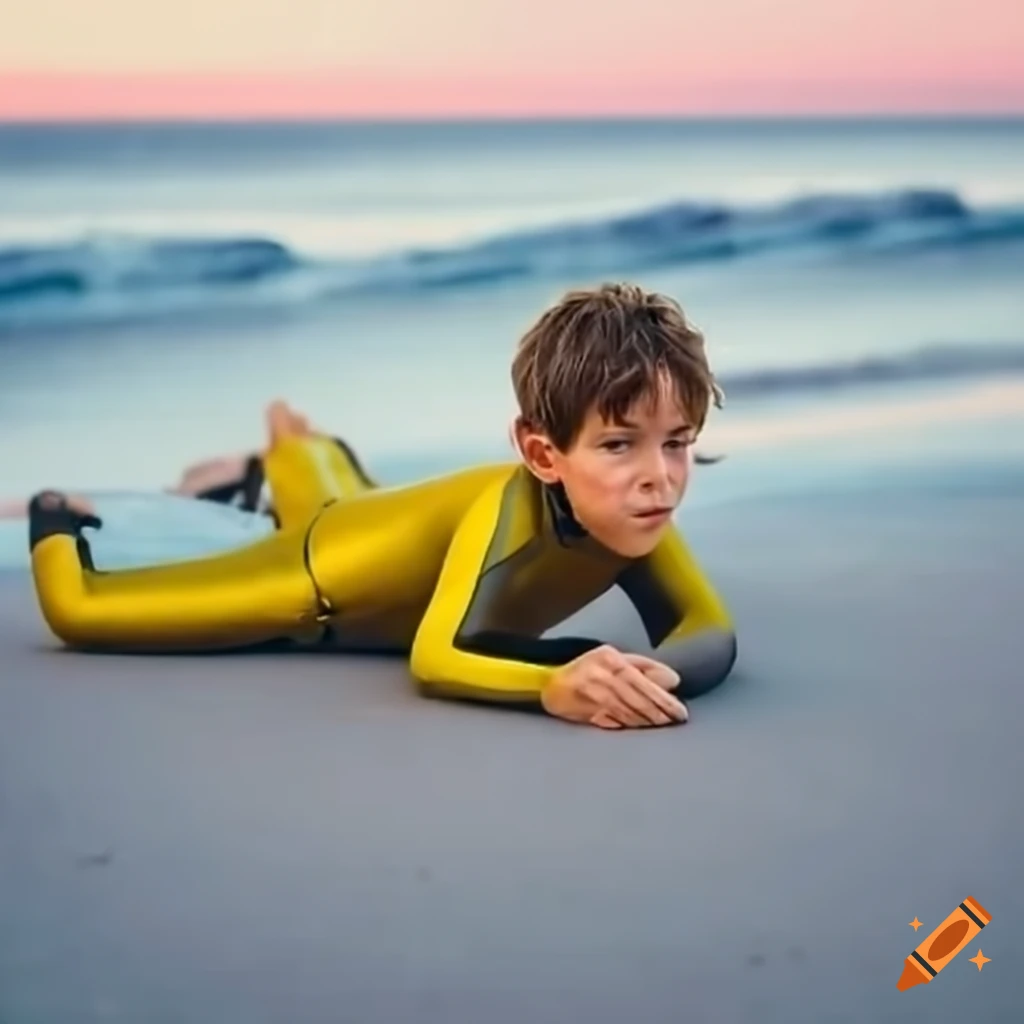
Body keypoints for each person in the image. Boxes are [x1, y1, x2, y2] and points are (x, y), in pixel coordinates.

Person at [27, 282, 738, 731]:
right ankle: (57, 507)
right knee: (82, 613)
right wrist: (553, 684)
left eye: (677, 443)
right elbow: (434, 657)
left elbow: (705, 627)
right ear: (543, 455)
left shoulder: (632, 512)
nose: (660, 479)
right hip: (318, 577)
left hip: (370, 518)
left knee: (336, 486)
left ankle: (282, 451)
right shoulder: (505, 515)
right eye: (618, 445)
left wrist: (658, 676)